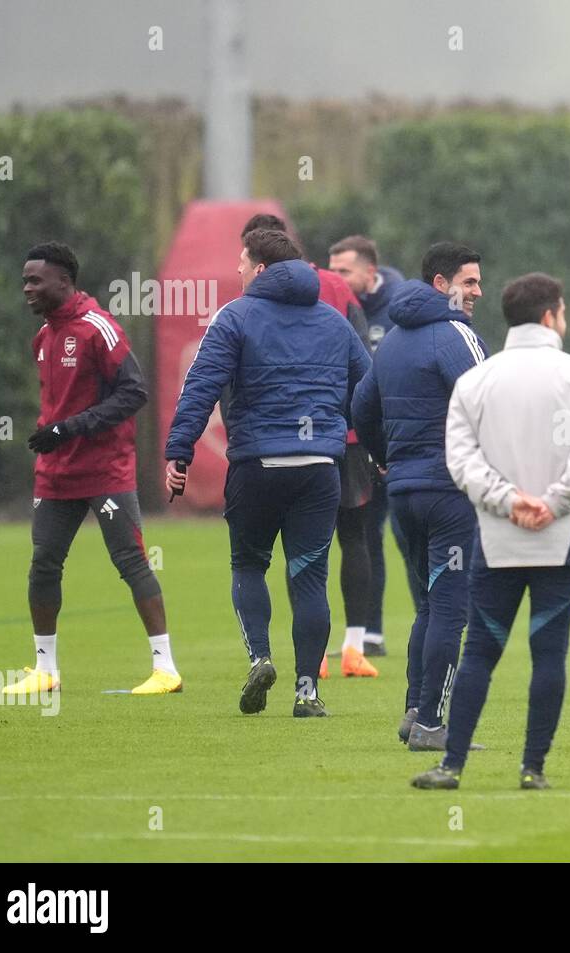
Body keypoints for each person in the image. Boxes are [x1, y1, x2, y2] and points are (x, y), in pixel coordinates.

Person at [411, 273, 570, 790]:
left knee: (480, 650)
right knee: (549, 653)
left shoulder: (477, 380)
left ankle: (451, 766)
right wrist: (552, 501)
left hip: (497, 537)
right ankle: (532, 769)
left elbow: (461, 459)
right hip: (562, 536)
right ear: (550, 316)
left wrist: (506, 500)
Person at [165, 228, 370, 717]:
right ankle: (308, 693)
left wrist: (179, 450)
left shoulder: (234, 317)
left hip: (257, 464)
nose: (236, 270)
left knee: (249, 565)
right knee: (310, 580)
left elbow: (201, 386)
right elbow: (369, 388)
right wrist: (375, 448)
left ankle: (259, 657)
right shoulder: (333, 320)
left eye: (241, 262)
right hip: (320, 467)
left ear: (259, 268)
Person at [5, 242, 180, 697]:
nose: (27, 288)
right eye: (25, 280)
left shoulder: (96, 328)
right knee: (43, 564)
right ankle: (45, 669)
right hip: (55, 475)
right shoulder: (43, 337)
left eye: (35, 280)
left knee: (130, 561)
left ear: (64, 281)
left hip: (105, 471)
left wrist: (69, 429)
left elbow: (134, 392)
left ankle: (166, 669)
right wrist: (54, 436)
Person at [351, 241, 489, 750]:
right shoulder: (456, 335)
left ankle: (415, 711)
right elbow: (489, 402)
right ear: (441, 284)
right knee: (452, 610)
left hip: (405, 491)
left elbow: (361, 406)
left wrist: (387, 456)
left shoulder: (390, 341)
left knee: (429, 607)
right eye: (470, 282)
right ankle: (432, 724)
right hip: (450, 491)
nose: (478, 291)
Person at [240, 215, 380, 679]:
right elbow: (363, 364)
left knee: (300, 549)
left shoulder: (250, 303)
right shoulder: (337, 291)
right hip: (347, 438)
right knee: (354, 538)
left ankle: (313, 657)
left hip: (284, 444)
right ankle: (354, 647)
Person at [328, 235, 409, 659]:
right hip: (363, 446)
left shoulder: (401, 307)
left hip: (404, 443)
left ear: (370, 274)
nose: (334, 278)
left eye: (343, 271)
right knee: (366, 535)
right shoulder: (336, 308)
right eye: (332, 269)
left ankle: (436, 623)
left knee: (410, 534)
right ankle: (370, 632)